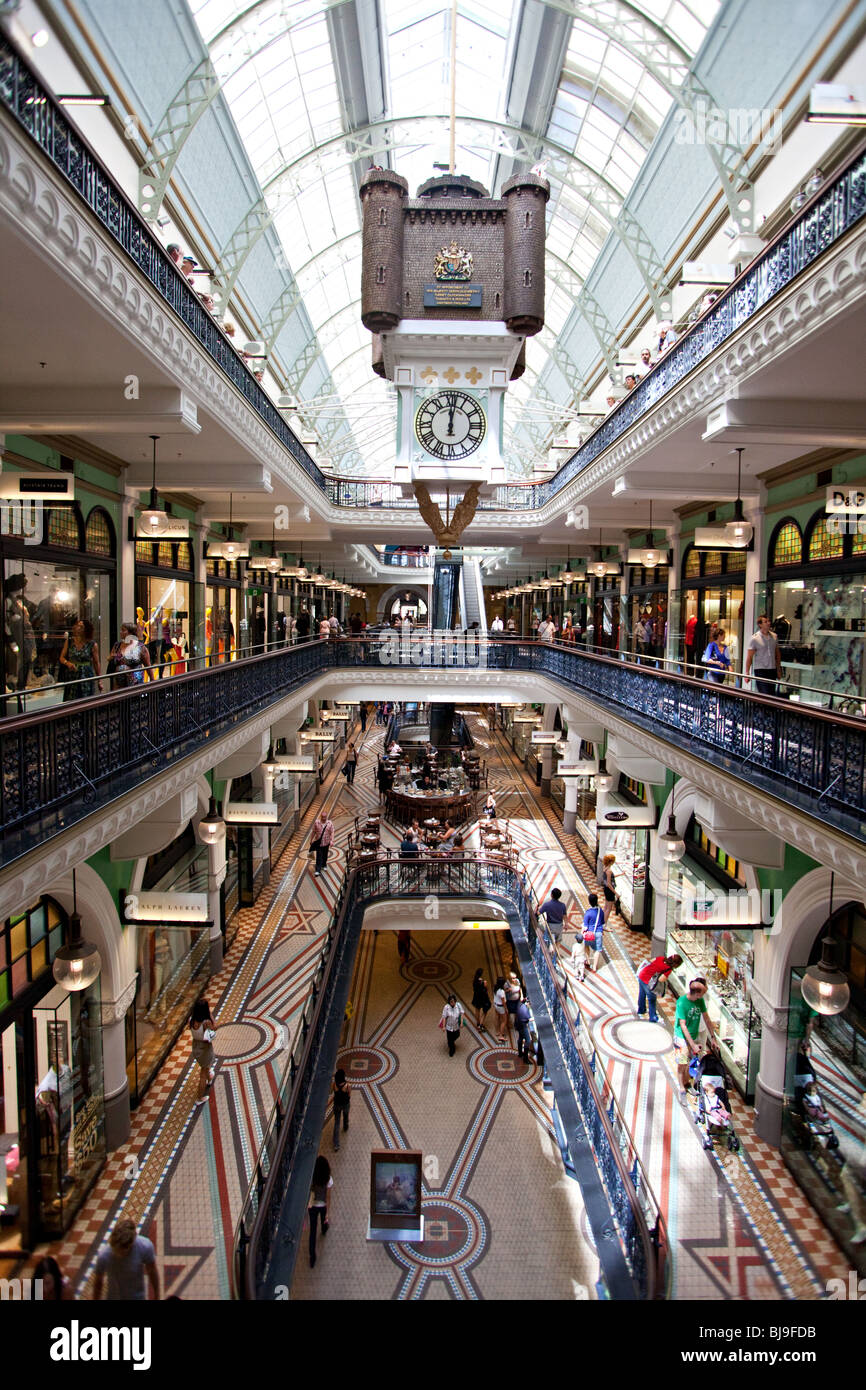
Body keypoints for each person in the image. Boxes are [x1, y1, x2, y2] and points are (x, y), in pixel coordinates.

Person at [93, 1217, 160, 1300]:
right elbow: (98, 1283)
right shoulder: (104, 1256)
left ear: (131, 1244)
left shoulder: (145, 1247)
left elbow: (152, 1270)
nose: (119, 1254)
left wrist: (157, 1294)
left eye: (122, 1251)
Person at [674, 977, 717, 1096]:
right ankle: (682, 1087)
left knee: (688, 1062)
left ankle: (687, 1084)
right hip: (681, 1037)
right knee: (682, 1062)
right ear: (697, 993)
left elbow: (707, 1019)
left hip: (692, 1036)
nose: (703, 995)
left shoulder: (700, 1001)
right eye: (702, 993)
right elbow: (683, 1025)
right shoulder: (682, 1002)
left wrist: (713, 1038)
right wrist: (692, 1045)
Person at [59, 617, 102, 699]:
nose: (78, 628)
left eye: (81, 627)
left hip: (86, 675)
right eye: (77, 626)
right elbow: (62, 657)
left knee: (85, 698)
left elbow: (96, 663)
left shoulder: (92, 644)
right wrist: (68, 663)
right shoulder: (70, 641)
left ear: (86, 630)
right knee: (71, 698)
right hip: (72, 674)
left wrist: (99, 680)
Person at [636, 953, 683, 1023]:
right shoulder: (668, 969)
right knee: (651, 999)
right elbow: (660, 979)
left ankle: (641, 1010)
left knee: (642, 994)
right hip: (648, 981)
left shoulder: (661, 958)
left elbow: (651, 961)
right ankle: (652, 1017)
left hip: (642, 974)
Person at [745, 613, 782, 695]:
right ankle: (763, 708)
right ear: (760, 624)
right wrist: (747, 673)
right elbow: (749, 657)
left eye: (769, 621)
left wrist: (778, 669)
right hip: (760, 670)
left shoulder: (774, 636)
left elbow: (777, 654)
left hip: (772, 669)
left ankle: (768, 708)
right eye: (765, 622)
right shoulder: (754, 638)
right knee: (764, 693)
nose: (768, 623)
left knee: (771, 693)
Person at [108, 622, 151, 687]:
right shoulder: (117, 645)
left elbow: (148, 666)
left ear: (130, 633)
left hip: (135, 684)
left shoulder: (140, 647)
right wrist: (112, 657)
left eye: (123, 630)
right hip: (118, 684)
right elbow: (109, 658)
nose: (120, 632)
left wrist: (152, 681)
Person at [190, 997, 216, 1105]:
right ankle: (199, 1098)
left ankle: (210, 1078)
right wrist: (210, 1016)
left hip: (196, 1046)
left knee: (206, 1067)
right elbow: (215, 1028)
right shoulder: (206, 1023)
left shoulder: (191, 1020)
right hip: (205, 1048)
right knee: (203, 1074)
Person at [308, 1155, 332, 1268]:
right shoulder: (328, 1179)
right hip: (322, 1205)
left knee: (312, 1231)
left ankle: (312, 1256)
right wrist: (327, 1213)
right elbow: (328, 1197)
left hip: (312, 1206)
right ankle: (324, 1228)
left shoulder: (312, 1177)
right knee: (323, 1220)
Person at [539, 887, 569, 969]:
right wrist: (566, 924)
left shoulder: (547, 904)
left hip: (550, 925)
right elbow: (565, 916)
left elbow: (538, 912)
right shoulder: (562, 905)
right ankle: (555, 955)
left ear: (551, 895)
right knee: (558, 941)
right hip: (559, 925)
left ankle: (550, 952)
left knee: (550, 940)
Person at [580, 893, 606, 974]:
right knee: (597, 950)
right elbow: (603, 923)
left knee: (586, 946)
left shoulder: (588, 913)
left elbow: (585, 927)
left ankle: (587, 961)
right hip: (598, 933)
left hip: (589, 934)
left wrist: (581, 933)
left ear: (589, 902)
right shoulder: (600, 911)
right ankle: (594, 967)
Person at [332, 1069, 350, 1150]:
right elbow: (349, 1095)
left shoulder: (334, 1085)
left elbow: (334, 1093)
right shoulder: (347, 1085)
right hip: (345, 1104)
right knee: (346, 1116)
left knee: (336, 1123)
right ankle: (345, 1126)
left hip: (337, 1105)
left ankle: (336, 1144)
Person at [312, 811, 334, 876]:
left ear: (326, 817)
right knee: (318, 856)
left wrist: (332, 840)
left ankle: (324, 864)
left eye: (325, 817)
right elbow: (313, 831)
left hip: (326, 842)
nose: (323, 818)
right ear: (320, 817)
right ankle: (317, 870)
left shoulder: (330, 823)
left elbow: (332, 832)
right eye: (322, 817)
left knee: (325, 855)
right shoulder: (316, 823)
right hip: (319, 843)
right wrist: (311, 840)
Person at [599, 852, 617, 924]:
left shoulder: (605, 868)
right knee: (609, 908)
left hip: (606, 889)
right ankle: (604, 924)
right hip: (609, 891)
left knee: (606, 907)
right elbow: (609, 884)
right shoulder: (609, 871)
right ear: (611, 862)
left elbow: (608, 879)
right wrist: (616, 893)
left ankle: (602, 922)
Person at [515, 996, 533, 1062]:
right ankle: (525, 1058)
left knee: (521, 1037)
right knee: (528, 1040)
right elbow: (527, 1019)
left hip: (518, 1024)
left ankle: (520, 1053)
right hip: (522, 1026)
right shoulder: (524, 1009)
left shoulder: (520, 1004)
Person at [492, 976, 509, 1042]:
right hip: (500, 1006)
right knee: (504, 1020)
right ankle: (501, 1035)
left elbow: (499, 993)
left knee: (497, 1017)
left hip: (495, 1004)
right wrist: (506, 1009)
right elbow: (503, 1001)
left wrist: (506, 991)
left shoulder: (496, 987)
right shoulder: (501, 992)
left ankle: (497, 1031)